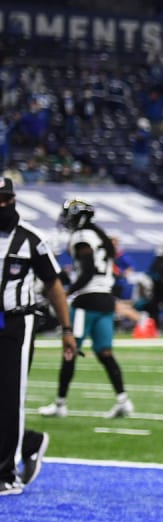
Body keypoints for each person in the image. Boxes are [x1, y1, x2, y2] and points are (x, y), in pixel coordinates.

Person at [0, 178, 78, 495]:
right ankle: (31, 441)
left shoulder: (31, 238)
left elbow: (54, 285)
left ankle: (6, 473)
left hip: (16, 324)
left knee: (9, 397)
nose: (3, 206)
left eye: (7, 200)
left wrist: (67, 329)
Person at [37, 200, 134, 420]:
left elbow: (88, 270)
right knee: (105, 353)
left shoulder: (82, 237)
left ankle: (60, 403)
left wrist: (70, 290)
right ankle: (123, 400)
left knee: (70, 350)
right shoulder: (100, 237)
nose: (67, 221)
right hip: (106, 299)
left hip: (87, 300)